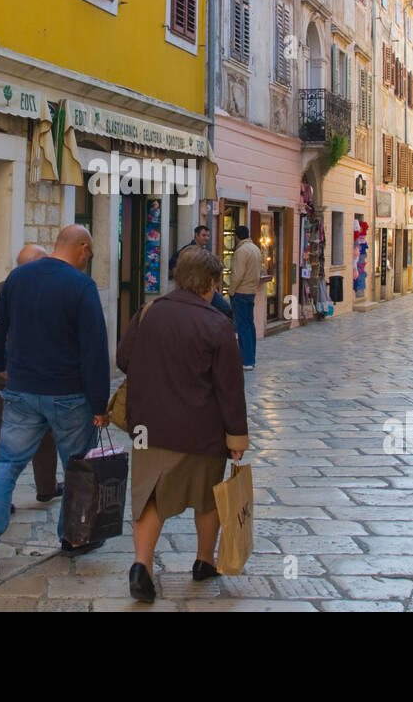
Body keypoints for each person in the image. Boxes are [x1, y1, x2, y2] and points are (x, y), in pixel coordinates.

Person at [0, 225, 111, 575]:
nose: (87, 260)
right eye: (88, 253)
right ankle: (74, 537)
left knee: (6, 463)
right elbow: (94, 350)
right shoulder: (82, 287)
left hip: (22, 390)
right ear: (79, 247)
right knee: (78, 465)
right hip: (68, 395)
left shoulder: (17, 280)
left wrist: (2, 366)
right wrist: (98, 403)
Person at [118, 246, 248, 602]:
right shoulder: (217, 324)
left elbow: (123, 358)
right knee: (207, 498)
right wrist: (236, 436)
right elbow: (229, 387)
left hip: (149, 428)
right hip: (200, 431)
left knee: (150, 498)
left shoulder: (148, 313)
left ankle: (141, 564)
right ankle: (204, 561)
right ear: (208, 283)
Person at [0, 244, 60, 513]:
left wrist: (0, 365)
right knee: (44, 432)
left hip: (1, 377)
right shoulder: (50, 292)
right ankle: (46, 486)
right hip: (36, 378)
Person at [170, 224, 234, 320]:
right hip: (197, 289)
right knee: (224, 309)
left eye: (208, 236)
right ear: (196, 235)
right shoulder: (189, 250)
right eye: (204, 235)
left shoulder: (203, 250)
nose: (206, 238)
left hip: (205, 287)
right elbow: (173, 264)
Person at [226, 225, 262, 370]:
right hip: (251, 291)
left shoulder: (241, 251)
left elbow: (237, 274)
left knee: (242, 328)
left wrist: (231, 291)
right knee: (250, 325)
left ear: (236, 236)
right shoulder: (255, 249)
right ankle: (251, 358)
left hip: (241, 292)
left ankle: (246, 361)